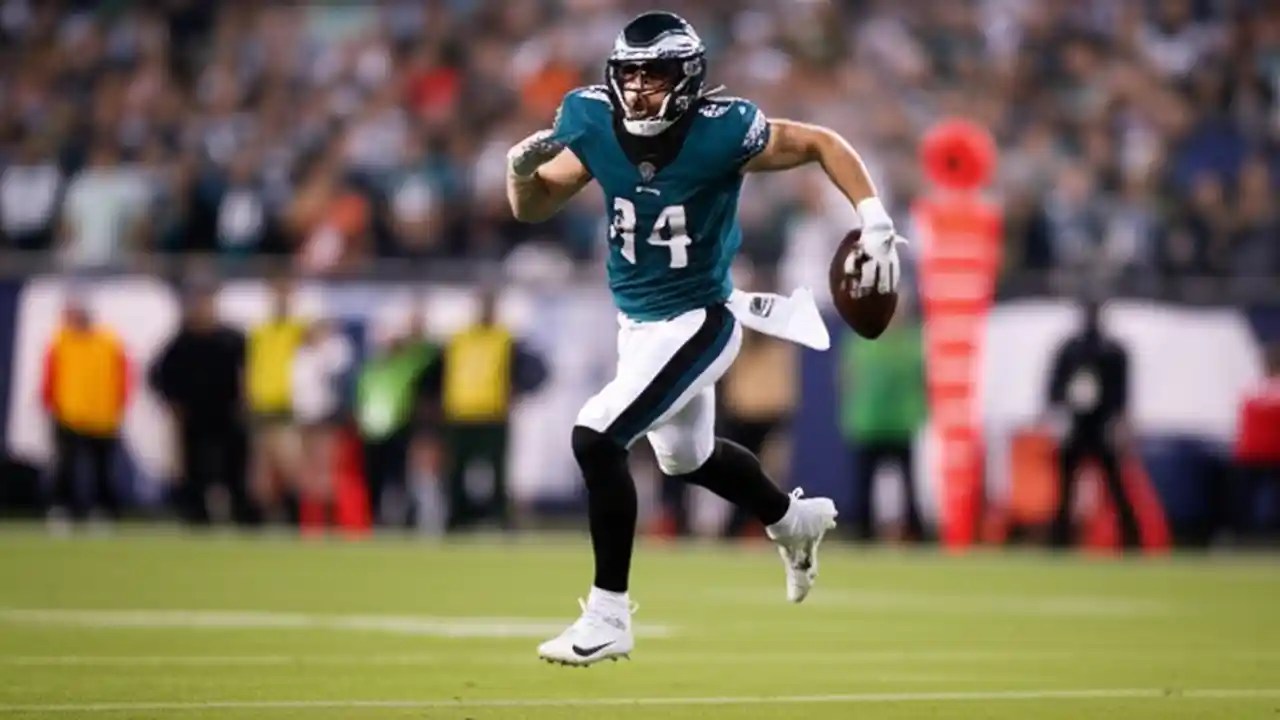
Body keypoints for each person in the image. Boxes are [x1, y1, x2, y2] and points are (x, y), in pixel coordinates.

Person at [506, 12, 904, 665]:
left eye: (654, 74)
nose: (638, 89)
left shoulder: (722, 132)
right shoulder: (590, 118)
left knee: (596, 436)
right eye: (629, 74)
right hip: (636, 323)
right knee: (684, 460)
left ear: (687, 78)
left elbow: (822, 143)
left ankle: (609, 614)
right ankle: (790, 518)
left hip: (700, 318)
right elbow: (534, 205)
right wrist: (521, 173)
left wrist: (875, 219)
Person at [434, 288, 547, 532]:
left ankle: (499, 518)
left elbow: (533, 369)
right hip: (461, 412)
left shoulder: (504, 339)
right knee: (456, 470)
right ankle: (456, 518)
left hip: (493, 413)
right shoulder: (459, 339)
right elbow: (439, 371)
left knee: (497, 471)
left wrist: (518, 390)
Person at [149, 283, 257, 526]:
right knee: (195, 471)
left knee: (234, 469)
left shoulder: (232, 339)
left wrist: (247, 400)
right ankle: (197, 518)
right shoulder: (180, 342)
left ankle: (241, 517)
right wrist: (173, 403)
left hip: (228, 416)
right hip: (195, 419)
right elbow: (157, 376)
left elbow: (250, 372)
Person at [1045, 299, 1139, 550]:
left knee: (1115, 485)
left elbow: (1121, 393)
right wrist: (1059, 413)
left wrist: (1118, 422)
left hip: (1101, 424)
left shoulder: (1111, 350)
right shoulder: (1070, 349)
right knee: (1065, 488)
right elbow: (1054, 386)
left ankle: (1131, 540)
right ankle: (1060, 541)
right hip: (1077, 424)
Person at [838, 297, 927, 543]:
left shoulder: (913, 341)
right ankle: (863, 532)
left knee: (909, 485)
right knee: (864, 485)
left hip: (900, 423)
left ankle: (914, 531)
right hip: (869, 423)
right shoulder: (861, 341)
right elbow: (848, 378)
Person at [41, 295, 130, 526]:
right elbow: (50, 376)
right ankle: (62, 509)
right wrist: (50, 404)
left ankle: (103, 510)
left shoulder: (109, 341)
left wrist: (119, 405)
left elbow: (123, 376)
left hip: (103, 416)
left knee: (103, 468)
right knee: (66, 466)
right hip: (69, 414)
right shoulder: (60, 341)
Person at [246, 279, 305, 522]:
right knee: (261, 472)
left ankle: (293, 517)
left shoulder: (299, 330)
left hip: (286, 408)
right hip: (262, 408)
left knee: (291, 466)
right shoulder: (259, 332)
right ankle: (266, 518)